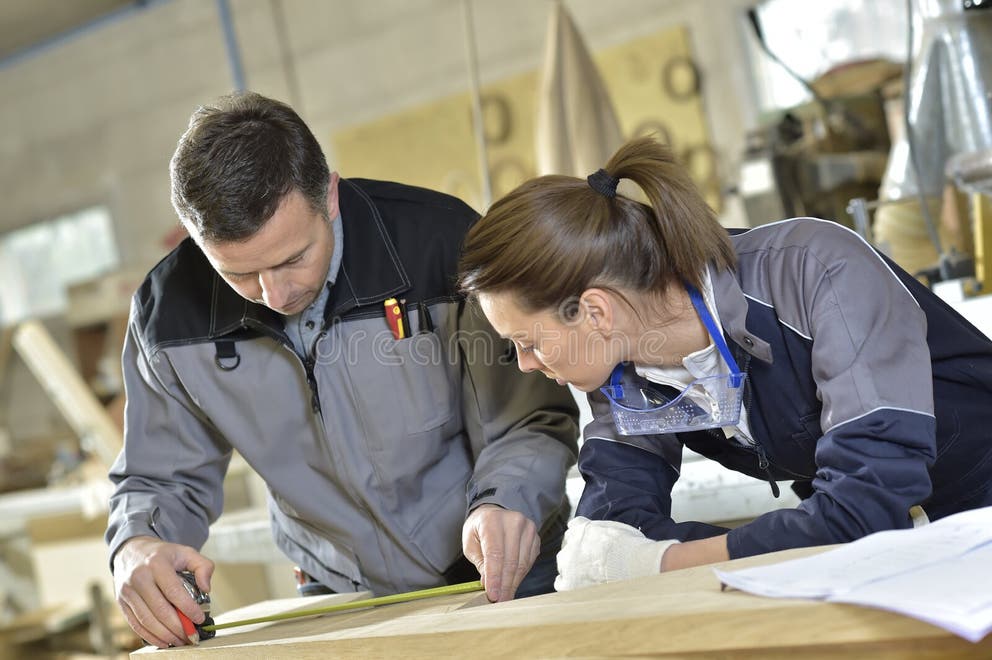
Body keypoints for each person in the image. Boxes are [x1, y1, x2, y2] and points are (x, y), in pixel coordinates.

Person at [106, 91, 579, 648]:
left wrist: (510, 499)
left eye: (291, 259)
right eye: (238, 275)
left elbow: (529, 418)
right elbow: (160, 478)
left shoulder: (443, 246)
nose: (273, 294)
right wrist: (138, 544)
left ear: (328, 194)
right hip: (337, 598)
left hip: (502, 569)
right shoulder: (167, 316)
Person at [457, 136, 992, 591]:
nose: (525, 365)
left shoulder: (817, 270)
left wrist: (662, 562)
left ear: (595, 310)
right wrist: (623, 556)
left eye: (529, 342)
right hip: (884, 563)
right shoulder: (621, 364)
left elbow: (864, 508)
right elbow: (613, 529)